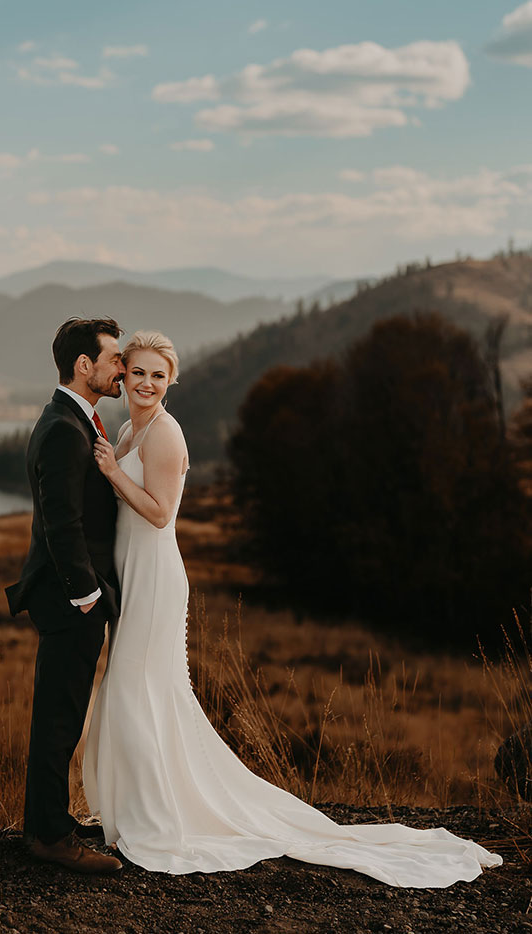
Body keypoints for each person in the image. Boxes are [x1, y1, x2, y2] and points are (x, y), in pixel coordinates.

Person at [82, 329, 503, 887]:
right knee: (135, 690)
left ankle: (155, 816)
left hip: (155, 578)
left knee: (138, 690)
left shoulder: (165, 435)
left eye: (159, 375)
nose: (147, 383)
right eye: (138, 372)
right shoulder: (133, 427)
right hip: (132, 574)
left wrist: (112, 472)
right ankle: (133, 809)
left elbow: (161, 515)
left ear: (171, 381)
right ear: (124, 374)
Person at [5, 317, 126, 875]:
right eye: (114, 358)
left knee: (62, 714)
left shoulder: (74, 420)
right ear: (85, 365)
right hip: (68, 601)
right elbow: (61, 524)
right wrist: (86, 596)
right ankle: (49, 837)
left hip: (72, 600)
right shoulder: (62, 428)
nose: (121, 367)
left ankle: (48, 820)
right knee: (58, 719)